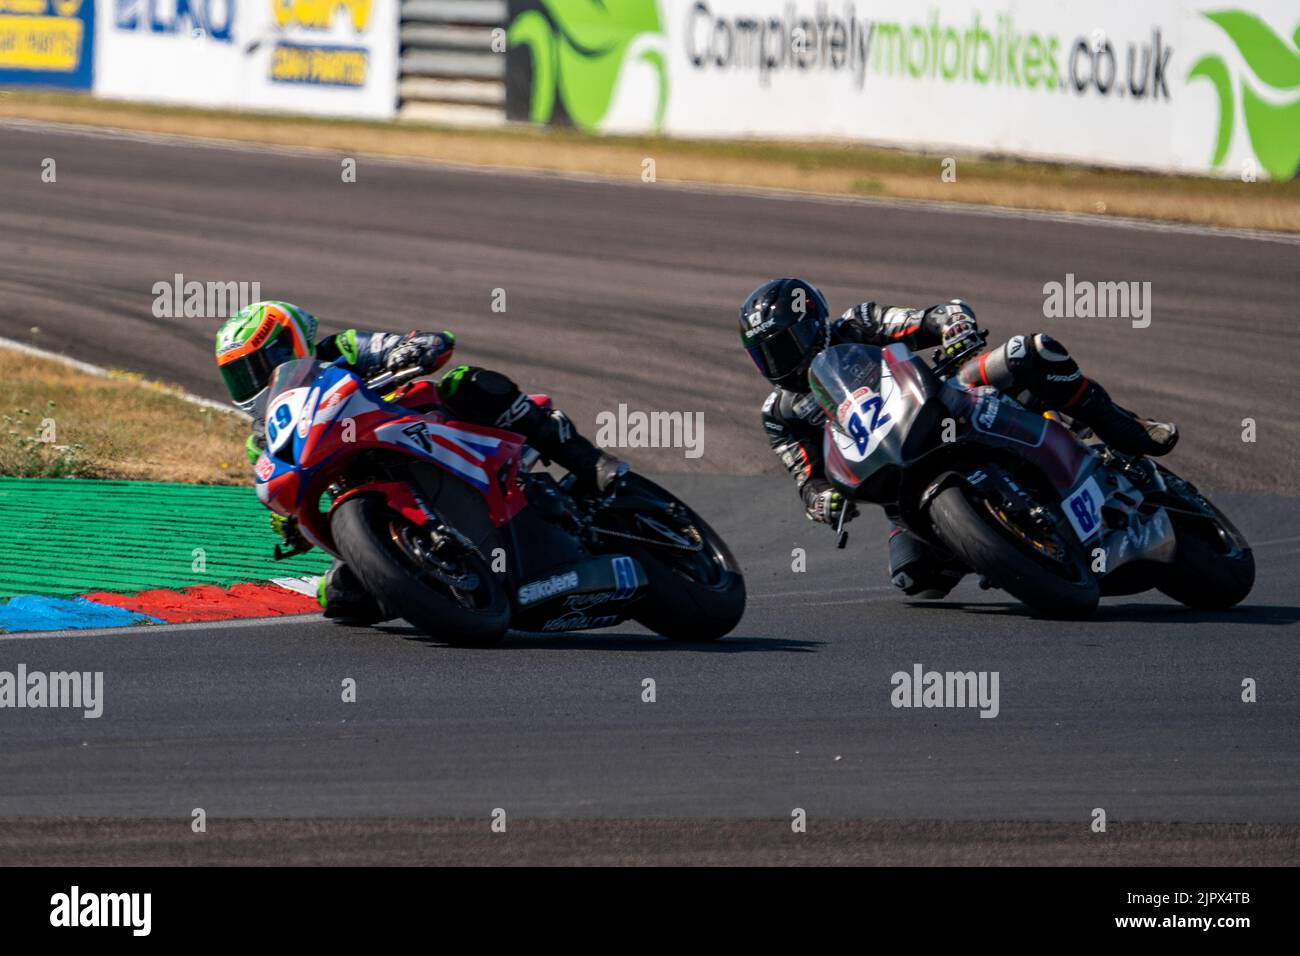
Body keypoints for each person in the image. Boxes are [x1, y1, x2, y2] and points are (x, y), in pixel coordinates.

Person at [740, 277, 1178, 599]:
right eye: (766, 354)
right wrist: (821, 501)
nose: (779, 360)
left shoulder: (859, 323)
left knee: (1032, 352)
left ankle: (1121, 425)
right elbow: (806, 477)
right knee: (915, 579)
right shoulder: (780, 414)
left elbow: (937, 315)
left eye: (784, 344)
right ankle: (998, 541)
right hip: (896, 477)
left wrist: (954, 329)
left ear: (812, 323)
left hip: (948, 399)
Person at [214, 300, 625, 620]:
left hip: (417, 426)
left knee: (467, 383)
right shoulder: (264, 432)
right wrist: (287, 520)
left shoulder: (339, 349)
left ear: (290, 341)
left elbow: (417, 343)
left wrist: (413, 348)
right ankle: (438, 582)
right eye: (240, 374)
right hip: (363, 486)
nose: (253, 379)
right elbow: (274, 483)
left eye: (258, 363)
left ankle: (590, 462)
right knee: (339, 597)